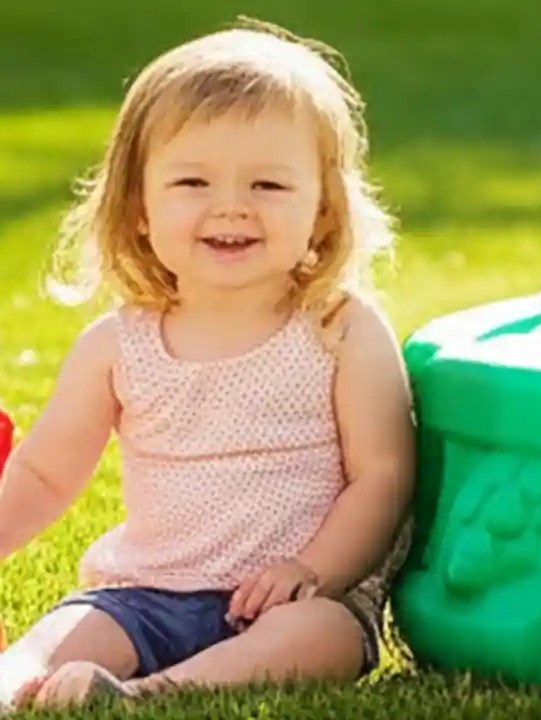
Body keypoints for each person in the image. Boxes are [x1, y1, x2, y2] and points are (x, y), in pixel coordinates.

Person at [0, 17, 415, 710]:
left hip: (287, 602)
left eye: (269, 186)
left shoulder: (342, 331)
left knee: (325, 637)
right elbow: (44, 474)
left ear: (322, 210)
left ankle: (144, 696)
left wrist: (313, 570)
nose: (231, 207)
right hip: (141, 594)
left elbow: (385, 475)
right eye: (192, 181)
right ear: (137, 206)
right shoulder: (117, 346)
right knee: (61, 635)